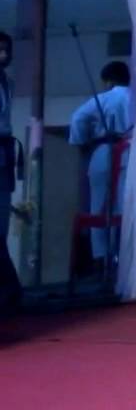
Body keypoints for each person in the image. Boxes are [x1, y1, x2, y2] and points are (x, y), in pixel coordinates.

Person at [68, 60, 133, 267]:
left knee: (100, 207)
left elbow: (77, 118)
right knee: (127, 208)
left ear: (108, 81)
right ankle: (126, 258)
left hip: (104, 152)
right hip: (132, 153)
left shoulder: (104, 99)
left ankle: (101, 258)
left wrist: (82, 143)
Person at [0, 31, 21, 313]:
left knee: (1, 228)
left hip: (4, 153)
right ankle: (10, 291)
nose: (3, 56)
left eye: (6, 50)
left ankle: (10, 292)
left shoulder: (9, 82)